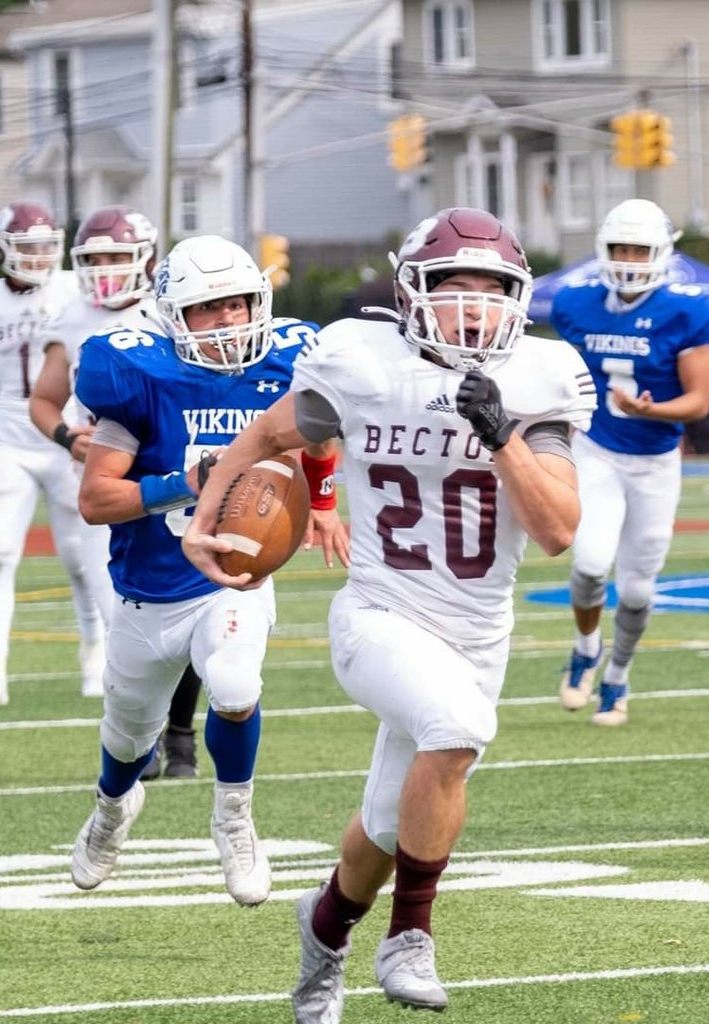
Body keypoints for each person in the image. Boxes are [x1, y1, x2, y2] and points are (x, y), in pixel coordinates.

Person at [181, 207, 596, 1022]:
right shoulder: (361, 361)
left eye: (490, 288)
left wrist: (502, 435)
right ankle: (410, 937)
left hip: (479, 631)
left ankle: (323, 930)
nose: (472, 305)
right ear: (412, 292)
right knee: (457, 730)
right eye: (452, 285)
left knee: (382, 822)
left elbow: (557, 531)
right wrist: (204, 519)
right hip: (378, 612)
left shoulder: (540, 374)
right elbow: (267, 435)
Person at [68, 234, 343, 907]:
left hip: (234, 579)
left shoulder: (285, 360)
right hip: (146, 593)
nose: (229, 319)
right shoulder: (139, 373)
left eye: (239, 303)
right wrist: (185, 483)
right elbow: (96, 499)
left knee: (234, 679)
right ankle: (110, 810)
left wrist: (326, 501)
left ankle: (235, 815)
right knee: (128, 737)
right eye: (208, 307)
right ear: (172, 317)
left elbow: (320, 429)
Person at [29, 204, 202, 772]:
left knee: (195, 606)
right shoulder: (71, 317)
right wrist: (66, 438)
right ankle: (146, 738)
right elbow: (44, 399)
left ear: (147, 260)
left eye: (115, 257)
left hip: (175, 476)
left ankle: (180, 733)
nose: (104, 269)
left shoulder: (174, 312)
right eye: (94, 258)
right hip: (107, 484)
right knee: (125, 615)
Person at [550, 199, 709, 724]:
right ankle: (585, 646)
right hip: (597, 448)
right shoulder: (576, 304)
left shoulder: (686, 310)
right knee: (589, 566)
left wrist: (653, 408)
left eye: (639, 249)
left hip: (655, 460)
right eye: (621, 247)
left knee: (640, 588)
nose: (628, 258)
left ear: (662, 254)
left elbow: (700, 401)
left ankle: (618, 678)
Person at [0, 200, 106, 707]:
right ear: (3, 248)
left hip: (68, 434)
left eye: (46, 245)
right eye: (26, 246)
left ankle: (94, 653)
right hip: (11, 437)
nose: (38, 255)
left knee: (81, 560)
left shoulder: (76, 289)